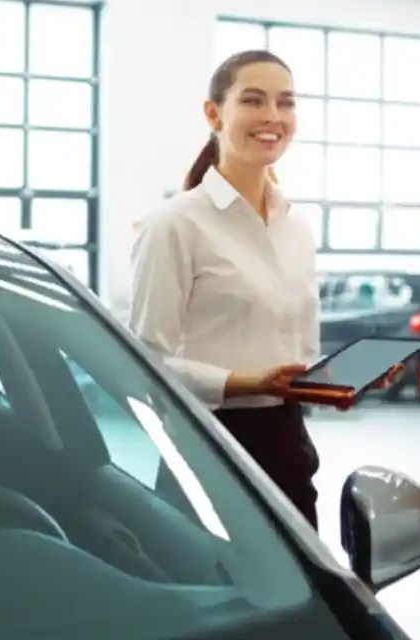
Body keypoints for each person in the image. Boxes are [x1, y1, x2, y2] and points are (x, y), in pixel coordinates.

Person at [127, 49, 323, 528]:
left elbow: (300, 350)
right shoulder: (175, 225)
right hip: (206, 448)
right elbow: (143, 363)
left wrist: (342, 379)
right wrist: (245, 383)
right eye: (253, 101)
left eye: (286, 103)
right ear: (214, 113)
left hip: (288, 446)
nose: (273, 117)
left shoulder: (295, 226)